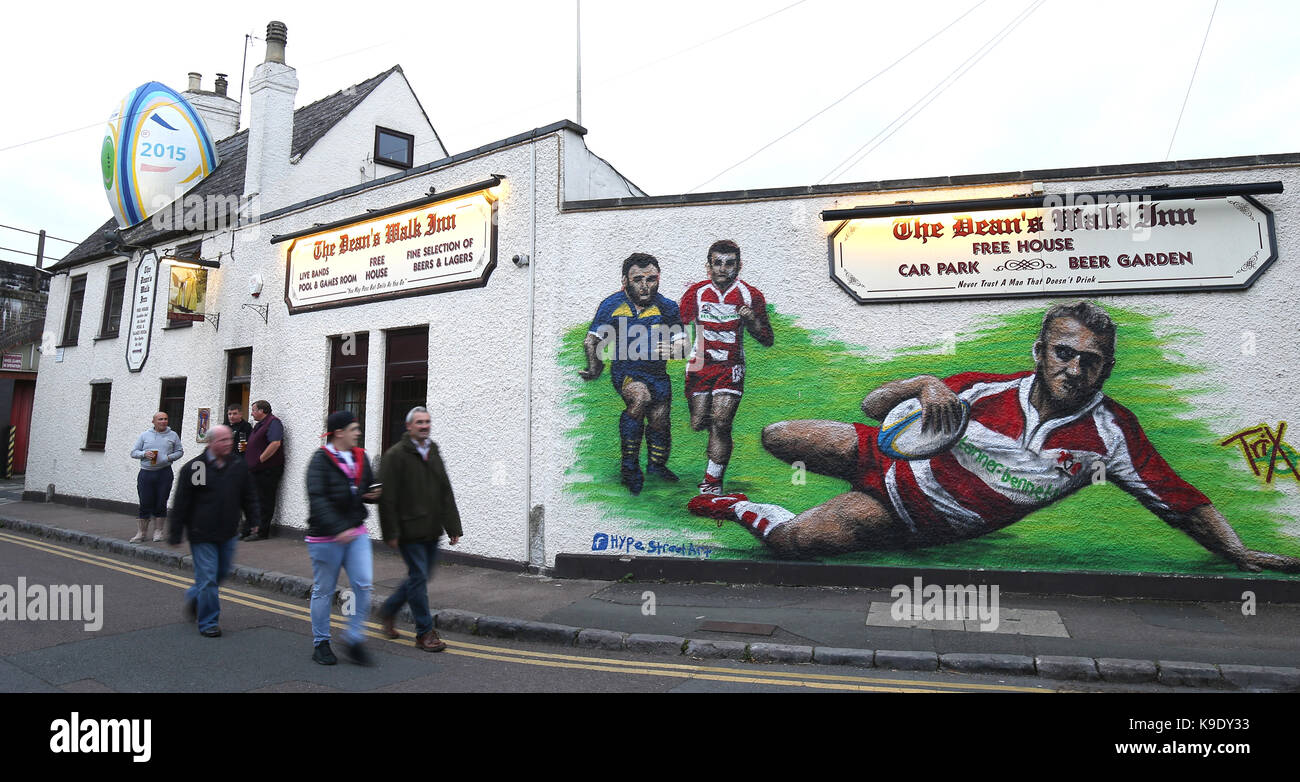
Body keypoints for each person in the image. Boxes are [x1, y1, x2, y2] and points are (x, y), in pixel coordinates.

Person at [689, 301, 1300, 574]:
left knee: (796, 542)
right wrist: (922, 383)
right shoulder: (983, 391)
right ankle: (744, 482)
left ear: (1105, 370)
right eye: (1064, 353)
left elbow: (1180, 501)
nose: (1075, 368)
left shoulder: (1111, 435)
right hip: (886, 452)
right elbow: (873, 407)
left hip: (907, 510)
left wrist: (1239, 554)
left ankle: (738, 506)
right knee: (774, 434)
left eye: (1091, 361)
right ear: (1039, 353)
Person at [580, 252, 687, 494]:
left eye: (650, 279)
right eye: (638, 279)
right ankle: (629, 467)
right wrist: (595, 369)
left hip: (658, 374)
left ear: (658, 279)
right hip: (627, 371)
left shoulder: (667, 307)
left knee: (660, 421)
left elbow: (683, 345)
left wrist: (674, 349)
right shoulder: (612, 304)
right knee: (640, 398)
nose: (644, 285)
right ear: (625, 280)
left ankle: (657, 466)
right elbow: (591, 340)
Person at [679, 240, 773, 496]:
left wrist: (751, 320)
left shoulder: (750, 295)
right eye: (717, 263)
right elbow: (678, 325)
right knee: (699, 423)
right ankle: (716, 442)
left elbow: (766, 338)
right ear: (708, 267)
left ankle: (712, 482)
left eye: (729, 263)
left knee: (721, 421)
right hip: (699, 366)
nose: (723, 269)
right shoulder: (695, 293)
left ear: (739, 266)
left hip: (731, 367)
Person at [376, 406, 464, 652]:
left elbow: (444, 490)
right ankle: (424, 632)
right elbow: (387, 498)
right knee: (418, 578)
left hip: (431, 528)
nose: (424, 426)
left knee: (420, 577)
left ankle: (389, 610)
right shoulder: (395, 456)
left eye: (427, 422)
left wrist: (453, 526)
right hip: (408, 531)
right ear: (409, 426)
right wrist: (390, 532)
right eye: (419, 422)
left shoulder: (433, 450)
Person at [167, 425, 260, 637]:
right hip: (202, 533)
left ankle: (195, 595)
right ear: (210, 443)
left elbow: (249, 495)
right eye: (223, 440)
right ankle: (209, 622)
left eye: (230, 439)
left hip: (228, 531)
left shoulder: (237, 465)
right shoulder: (195, 468)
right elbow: (182, 502)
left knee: (219, 574)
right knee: (209, 578)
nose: (229, 443)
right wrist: (175, 532)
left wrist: (254, 520)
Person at [306, 410, 380, 666]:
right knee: (324, 590)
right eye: (354, 428)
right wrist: (338, 528)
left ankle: (354, 638)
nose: (358, 433)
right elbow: (317, 499)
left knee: (363, 585)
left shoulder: (361, 457)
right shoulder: (320, 460)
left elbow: (367, 488)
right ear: (339, 432)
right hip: (326, 537)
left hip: (356, 531)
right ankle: (321, 643)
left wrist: (378, 493)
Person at [129, 411, 184, 542]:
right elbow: (133, 452)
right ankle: (141, 533)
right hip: (146, 473)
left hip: (164, 472)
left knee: (161, 502)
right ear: (153, 421)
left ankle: (158, 532)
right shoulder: (145, 435)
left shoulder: (173, 435)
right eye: (160, 419)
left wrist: (168, 458)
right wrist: (144, 454)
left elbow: (180, 451)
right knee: (145, 502)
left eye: (165, 419)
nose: (163, 421)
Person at [244, 399, 285, 540]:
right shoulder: (259, 425)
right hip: (256, 469)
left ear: (262, 411)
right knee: (254, 499)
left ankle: (261, 532)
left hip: (268, 469)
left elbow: (275, 443)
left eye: (254, 410)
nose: (252, 413)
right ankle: (249, 529)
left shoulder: (273, 422)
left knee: (265, 500)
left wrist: (259, 459)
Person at [225, 403, 256, 537]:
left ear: (241, 414)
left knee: (240, 498)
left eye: (234, 413)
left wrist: (246, 447)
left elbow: (253, 444)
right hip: (226, 466)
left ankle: (244, 529)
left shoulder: (246, 427)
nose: (232, 416)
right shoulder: (224, 427)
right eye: (230, 414)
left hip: (241, 465)